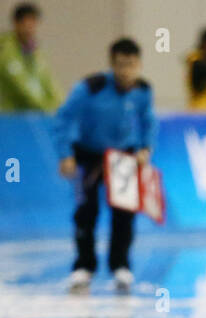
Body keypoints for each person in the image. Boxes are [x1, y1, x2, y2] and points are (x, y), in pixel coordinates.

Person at [54, 37, 156, 294]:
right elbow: (63, 118)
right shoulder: (90, 88)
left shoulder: (143, 91)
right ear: (111, 65)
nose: (126, 71)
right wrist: (65, 154)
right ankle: (84, 266)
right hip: (89, 156)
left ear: (139, 65)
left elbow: (149, 121)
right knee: (86, 212)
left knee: (124, 214)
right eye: (120, 65)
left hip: (124, 157)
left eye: (131, 65)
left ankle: (120, 265)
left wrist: (145, 148)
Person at [0, 2, 60, 112]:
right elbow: (23, 89)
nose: (29, 28)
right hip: (12, 119)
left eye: (33, 22)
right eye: (26, 22)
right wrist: (48, 108)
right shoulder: (6, 52)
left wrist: (60, 106)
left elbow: (49, 83)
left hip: (34, 119)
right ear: (16, 23)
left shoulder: (34, 53)